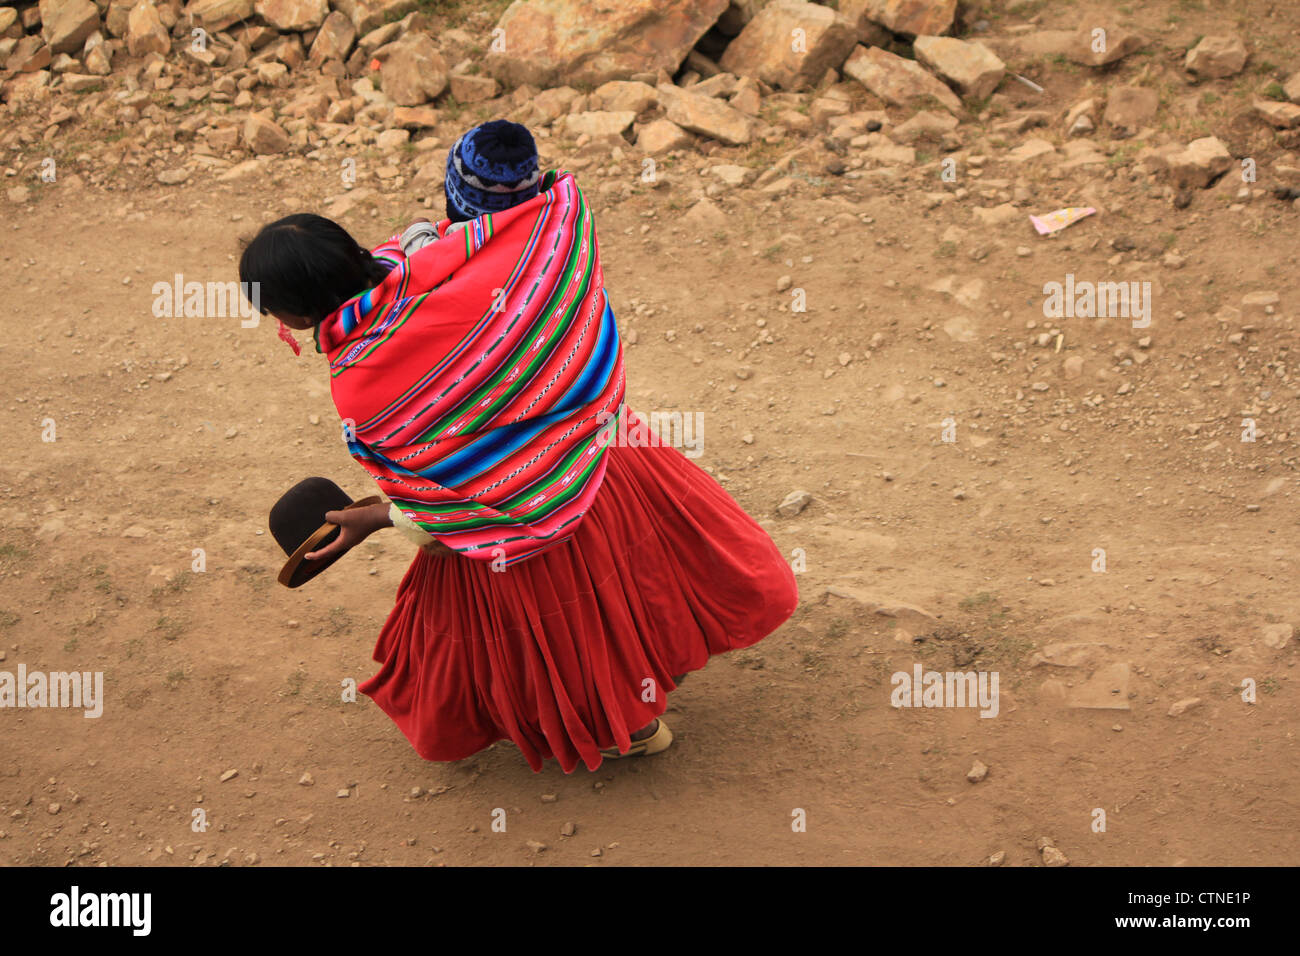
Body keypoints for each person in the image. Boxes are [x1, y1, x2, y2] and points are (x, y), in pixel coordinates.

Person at [239, 120, 798, 772]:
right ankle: (640, 690)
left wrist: (381, 516)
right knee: (635, 580)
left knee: (558, 627)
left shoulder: (364, 380)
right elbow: (465, 244)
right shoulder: (458, 252)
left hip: (527, 508)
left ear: (299, 317)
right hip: (608, 457)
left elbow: (452, 494)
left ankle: (631, 724)